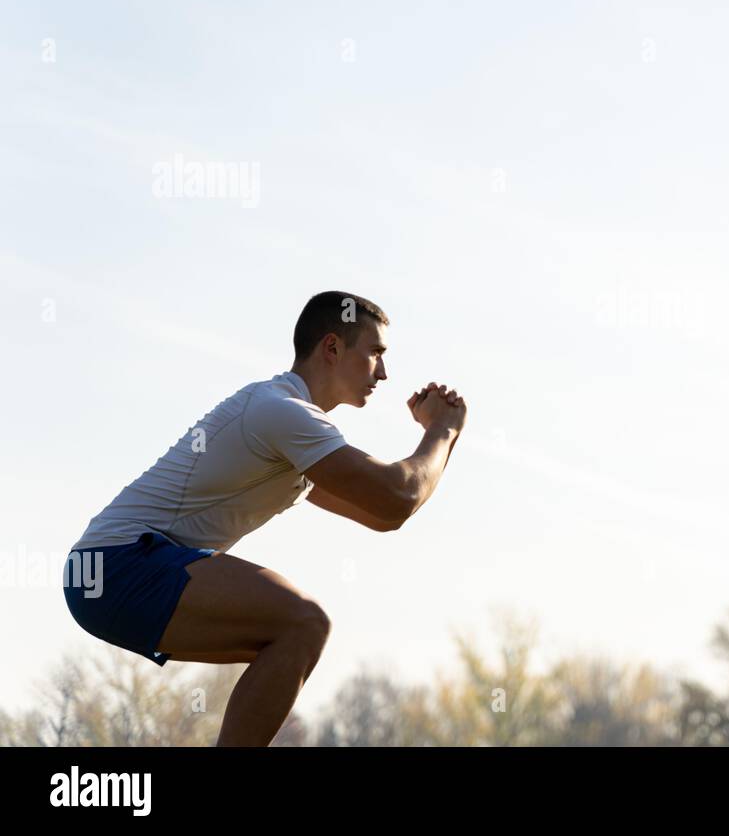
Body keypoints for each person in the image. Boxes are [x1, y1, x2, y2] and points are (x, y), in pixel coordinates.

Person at [62, 290, 467, 746]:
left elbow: (386, 516)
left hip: (104, 577)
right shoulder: (282, 412)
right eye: (375, 353)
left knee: (293, 638)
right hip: (116, 566)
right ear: (332, 348)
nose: (384, 372)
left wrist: (440, 439)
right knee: (304, 623)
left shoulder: (293, 431)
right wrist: (443, 429)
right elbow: (399, 495)